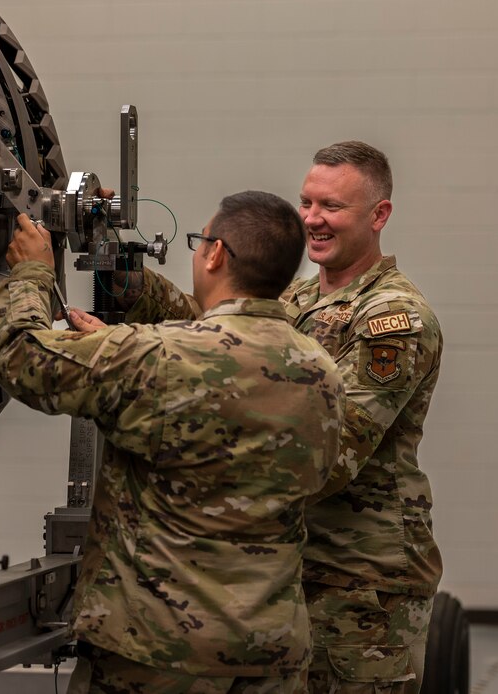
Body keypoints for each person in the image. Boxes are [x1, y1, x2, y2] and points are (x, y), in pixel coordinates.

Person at [0, 191, 346, 693]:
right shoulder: (319, 368)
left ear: (214, 253)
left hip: (160, 654)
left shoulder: (157, 358)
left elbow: (20, 357)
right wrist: (115, 350)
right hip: (270, 651)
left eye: (199, 242)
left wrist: (32, 275)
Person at [109, 141, 444, 693]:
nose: (312, 219)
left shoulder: (393, 317)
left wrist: (204, 473)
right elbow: (207, 322)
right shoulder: (298, 299)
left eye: (331, 207)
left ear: (378, 215)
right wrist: (126, 276)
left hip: (359, 579)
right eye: (306, 203)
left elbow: (333, 458)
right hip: (289, 565)